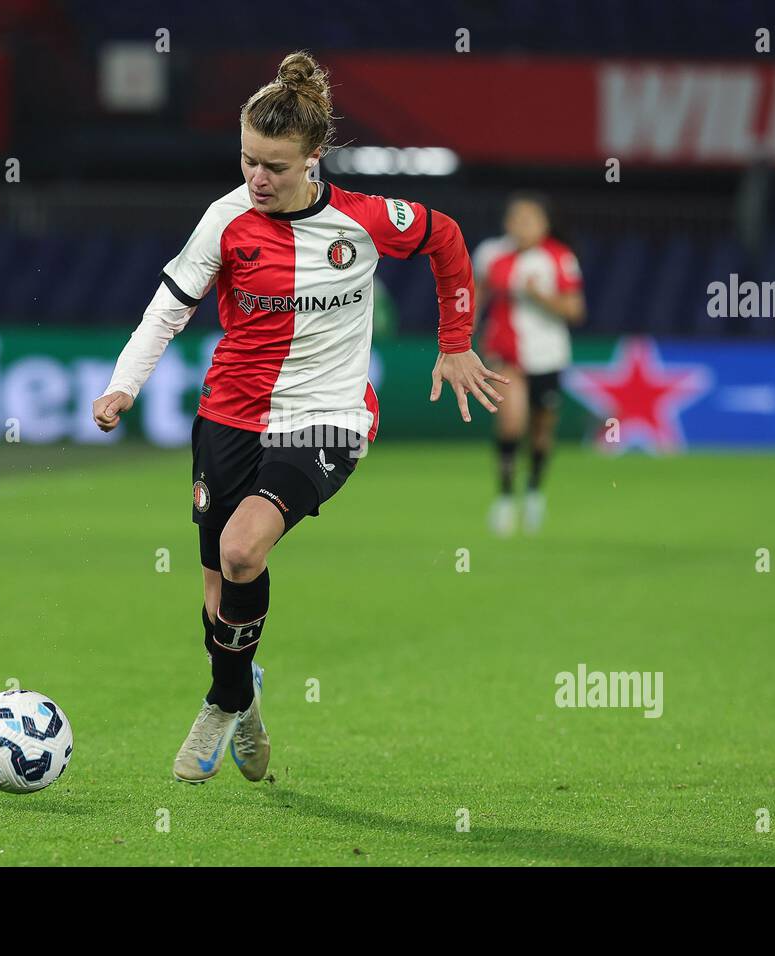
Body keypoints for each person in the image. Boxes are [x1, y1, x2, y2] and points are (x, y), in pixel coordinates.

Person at [90, 51, 507, 783]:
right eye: (248, 159)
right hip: (230, 415)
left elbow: (445, 238)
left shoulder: (366, 220)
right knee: (219, 590)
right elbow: (168, 310)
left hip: (327, 417)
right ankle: (241, 697)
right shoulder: (224, 219)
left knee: (244, 550)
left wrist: (454, 342)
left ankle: (220, 704)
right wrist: (124, 386)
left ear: (314, 159)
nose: (257, 178)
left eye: (274, 166)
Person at [473, 193, 585, 536]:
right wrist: (462, 338)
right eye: (517, 219)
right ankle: (505, 497)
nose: (523, 226)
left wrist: (540, 296)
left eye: (530, 220)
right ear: (507, 223)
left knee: (541, 431)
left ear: (544, 224)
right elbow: (477, 296)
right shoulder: (491, 254)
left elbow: (575, 311)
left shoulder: (559, 258)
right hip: (505, 354)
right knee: (511, 423)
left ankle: (534, 489)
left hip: (547, 356)